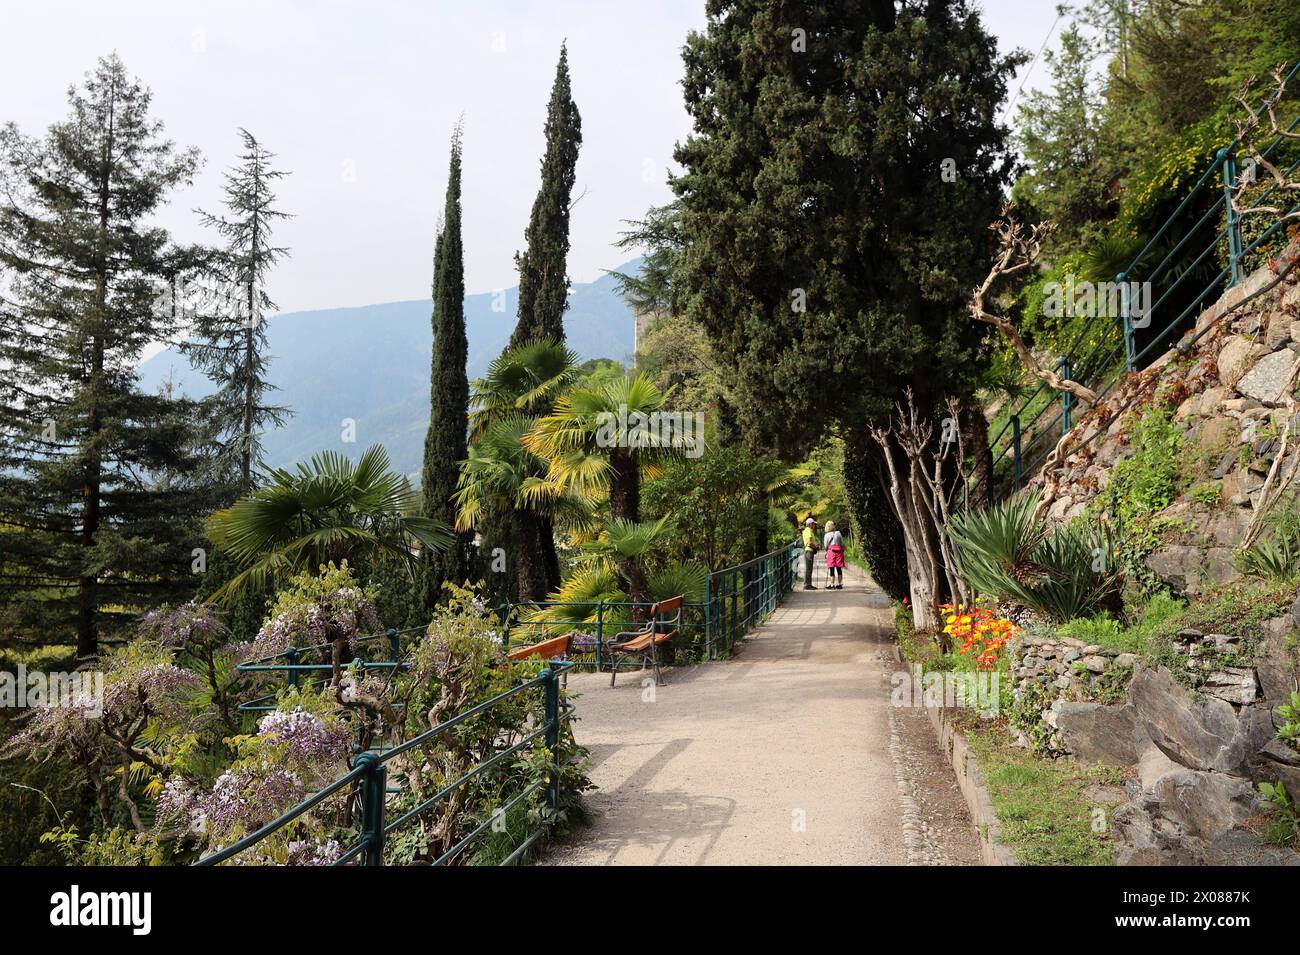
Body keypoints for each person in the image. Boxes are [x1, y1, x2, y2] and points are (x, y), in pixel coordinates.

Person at [823, 520, 845, 589]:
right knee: (839, 569)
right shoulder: (838, 533)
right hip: (839, 552)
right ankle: (840, 584)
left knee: (831, 569)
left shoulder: (826, 535)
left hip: (831, 552)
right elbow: (842, 543)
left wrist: (826, 552)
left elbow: (826, 545)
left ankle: (832, 585)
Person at [801, 517, 818, 589]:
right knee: (808, 568)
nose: (814, 525)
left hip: (809, 551)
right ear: (810, 524)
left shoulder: (807, 530)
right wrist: (815, 547)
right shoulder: (808, 531)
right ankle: (807, 585)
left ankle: (808, 584)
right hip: (809, 551)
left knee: (809, 568)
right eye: (813, 524)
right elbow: (809, 542)